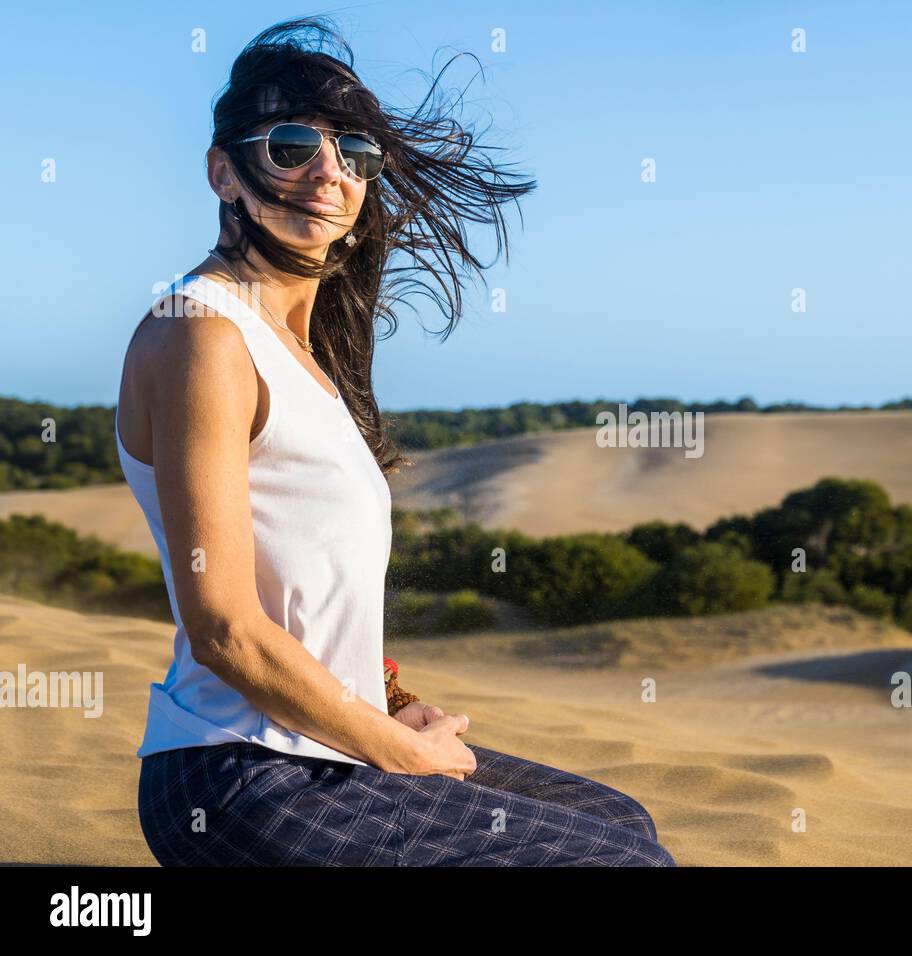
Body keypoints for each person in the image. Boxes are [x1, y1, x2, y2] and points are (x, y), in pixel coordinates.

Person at [119, 16, 674, 867]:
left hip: (323, 747)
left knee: (623, 821)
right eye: (293, 145)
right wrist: (393, 750)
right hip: (240, 774)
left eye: (355, 156)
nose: (329, 174)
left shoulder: (303, 353)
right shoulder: (201, 332)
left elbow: (300, 588)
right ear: (223, 172)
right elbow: (225, 625)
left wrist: (384, 703)